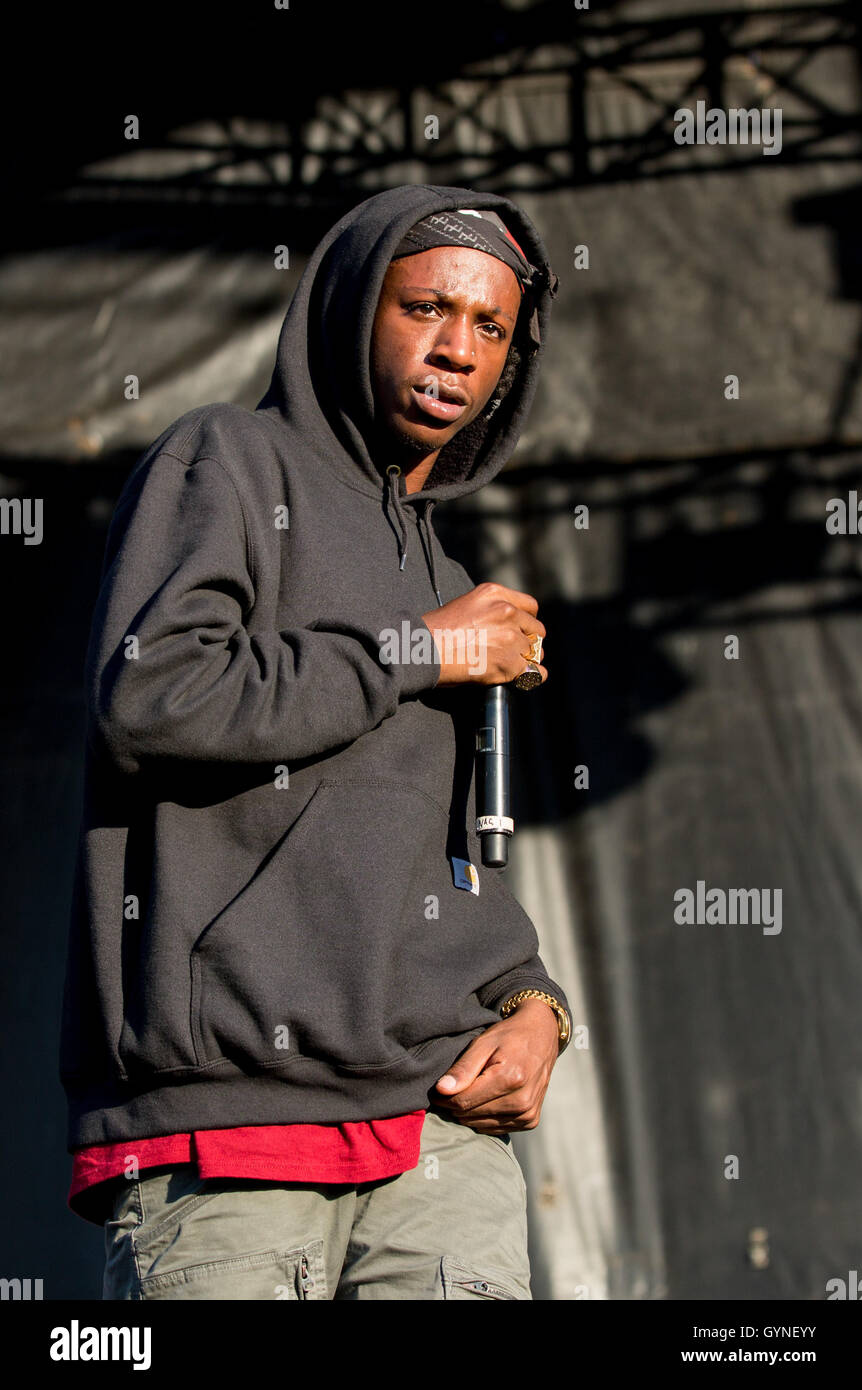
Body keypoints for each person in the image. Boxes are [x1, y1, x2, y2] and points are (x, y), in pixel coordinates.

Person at [59, 184, 572, 1300]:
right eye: (427, 307)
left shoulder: (439, 570)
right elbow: (153, 696)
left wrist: (537, 1007)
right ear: (350, 305)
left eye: (489, 327)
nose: (457, 350)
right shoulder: (226, 461)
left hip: (434, 1126)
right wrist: (418, 650)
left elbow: (432, 866)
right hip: (234, 1123)